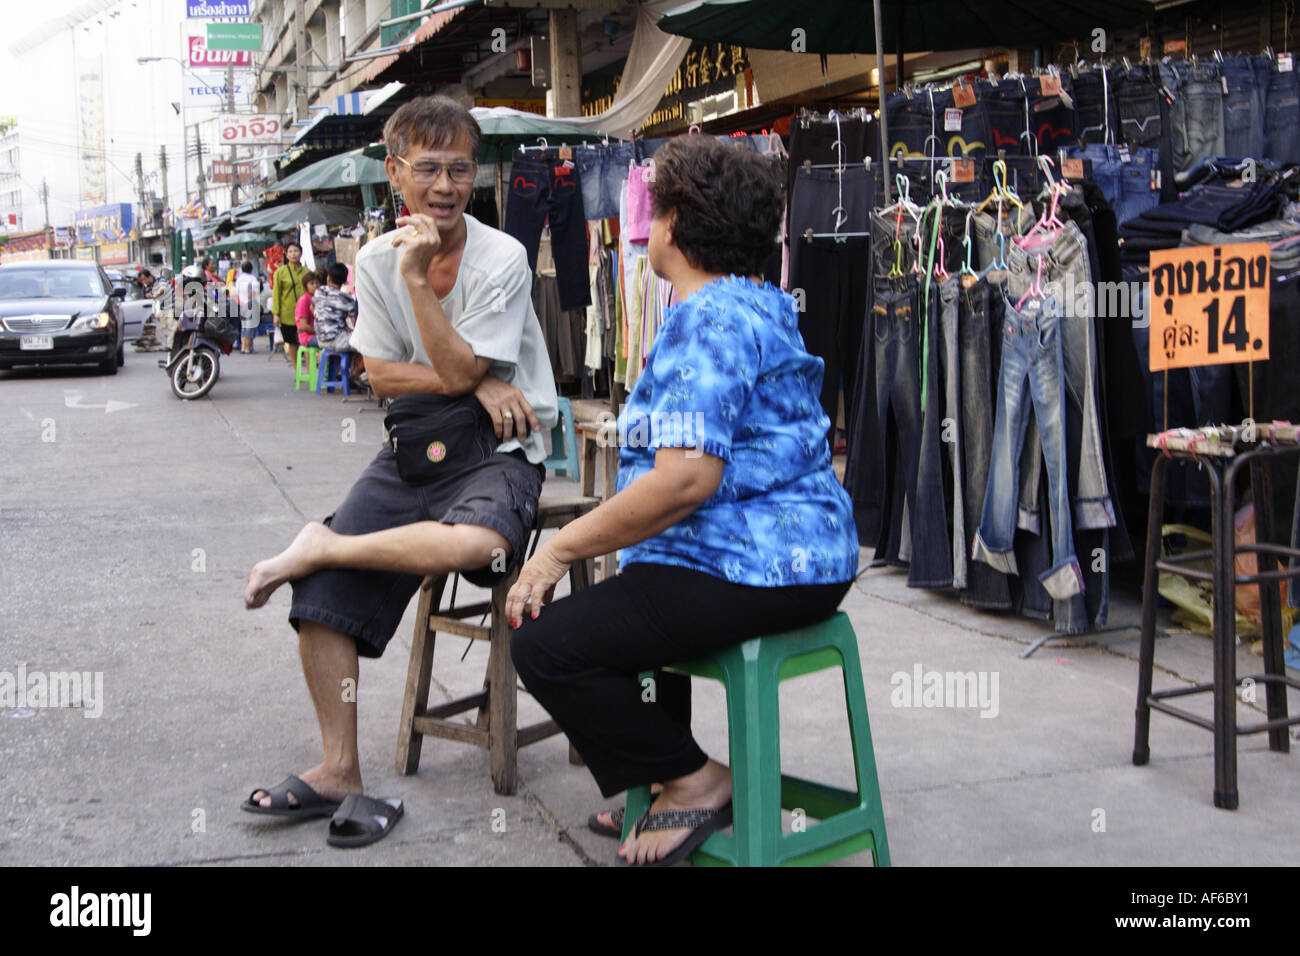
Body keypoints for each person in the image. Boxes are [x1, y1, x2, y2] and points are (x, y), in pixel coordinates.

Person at [504, 135, 860, 867]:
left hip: (756, 571)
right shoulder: (759, 303)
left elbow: (687, 481)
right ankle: (657, 774)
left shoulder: (707, 317)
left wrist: (561, 550)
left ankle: (695, 781)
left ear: (671, 225)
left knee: (544, 645)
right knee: (641, 597)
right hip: (810, 564)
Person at [240, 95, 558, 844]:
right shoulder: (374, 259)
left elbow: (454, 362)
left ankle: (323, 542)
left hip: (500, 448)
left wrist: (431, 304)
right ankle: (337, 770)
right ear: (395, 173)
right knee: (317, 599)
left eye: (459, 169)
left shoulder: (500, 257)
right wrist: (471, 374)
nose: (445, 186)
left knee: (482, 546)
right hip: (413, 447)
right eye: (428, 170)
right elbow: (380, 375)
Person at [312, 261, 366, 387]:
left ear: (328, 278)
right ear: (345, 281)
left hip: (320, 339)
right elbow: (357, 322)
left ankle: (345, 373)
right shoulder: (346, 299)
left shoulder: (318, 292)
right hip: (336, 340)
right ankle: (356, 373)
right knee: (367, 344)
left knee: (355, 343)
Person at [271, 241, 308, 364]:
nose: (293, 254)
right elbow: (276, 294)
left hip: (305, 314)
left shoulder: (307, 272)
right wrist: (276, 314)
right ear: (286, 255)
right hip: (288, 314)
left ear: (301, 253)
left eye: (296, 251)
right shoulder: (280, 272)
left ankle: (308, 370)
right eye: (290, 252)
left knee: (306, 342)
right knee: (292, 344)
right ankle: (296, 370)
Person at [235, 260, 261, 354]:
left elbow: (236, 292)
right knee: (250, 327)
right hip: (250, 305)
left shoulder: (239, 279)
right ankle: (247, 348)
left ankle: (243, 347)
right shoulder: (252, 278)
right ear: (251, 269)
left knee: (244, 327)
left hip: (241, 305)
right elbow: (253, 292)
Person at [294, 272, 320, 349]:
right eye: (312, 284)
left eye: (317, 283)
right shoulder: (304, 300)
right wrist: (321, 332)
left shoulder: (318, 298)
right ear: (306, 286)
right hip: (307, 337)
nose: (315, 286)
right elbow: (304, 326)